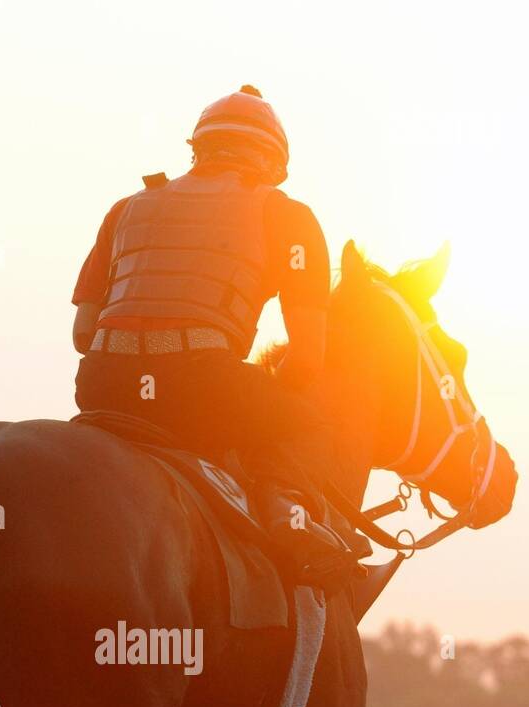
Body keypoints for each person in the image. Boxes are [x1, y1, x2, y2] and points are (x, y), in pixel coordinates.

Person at [72, 85, 360, 591]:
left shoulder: (127, 207)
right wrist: (265, 401)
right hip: (203, 384)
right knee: (310, 423)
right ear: (271, 162)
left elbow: (82, 334)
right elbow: (307, 363)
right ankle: (287, 518)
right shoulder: (287, 215)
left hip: (102, 383)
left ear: (197, 149)